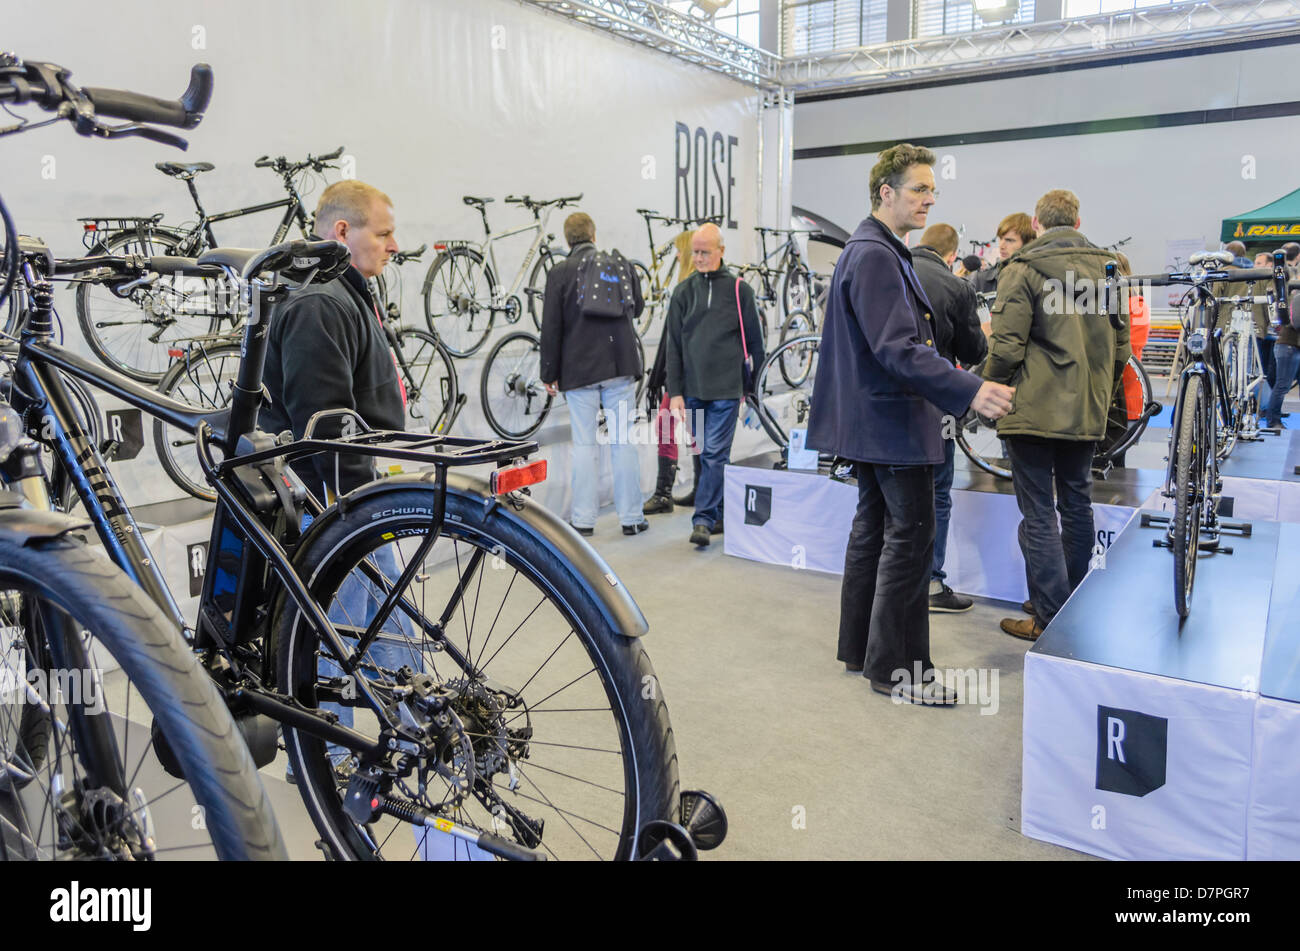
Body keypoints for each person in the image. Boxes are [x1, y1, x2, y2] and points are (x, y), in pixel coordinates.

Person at [806, 143, 1014, 705]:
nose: (929, 198)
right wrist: (972, 389)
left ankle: (863, 651)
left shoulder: (873, 249)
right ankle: (900, 670)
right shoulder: (875, 254)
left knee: (874, 533)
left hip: (877, 422)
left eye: (932, 190)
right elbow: (898, 349)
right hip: (894, 421)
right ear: (886, 193)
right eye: (919, 188)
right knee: (911, 541)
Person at [262, 179, 418, 780]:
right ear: (342, 232)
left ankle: (378, 748)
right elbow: (322, 431)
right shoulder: (318, 305)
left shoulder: (345, 293)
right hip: (332, 505)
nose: (394, 245)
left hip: (356, 500)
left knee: (377, 639)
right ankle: (327, 765)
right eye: (383, 233)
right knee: (345, 642)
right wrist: (352, 518)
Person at [983, 189, 1130, 641]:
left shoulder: (1023, 269)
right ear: (1079, 222)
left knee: (1040, 513)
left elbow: (1007, 345)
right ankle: (1071, 604)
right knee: (1077, 504)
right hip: (1085, 408)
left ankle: (1048, 616)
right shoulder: (1108, 269)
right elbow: (1121, 347)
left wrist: (990, 387)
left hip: (1032, 409)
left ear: (1036, 222)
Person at [539, 212, 648, 536]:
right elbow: (638, 307)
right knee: (622, 442)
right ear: (593, 235)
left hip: (578, 370)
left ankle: (584, 521)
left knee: (585, 445)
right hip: (618, 365)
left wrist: (549, 371)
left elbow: (552, 327)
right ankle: (631, 518)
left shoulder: (558, 273)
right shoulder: (619, 264)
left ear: (567, 240)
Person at [665, 223, 763, 548]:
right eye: (695, 252)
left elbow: (755, 344)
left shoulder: (739, 290)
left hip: (726, 389)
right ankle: (719, 513)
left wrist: (755, 390)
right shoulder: (682, 292)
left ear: (721, 250)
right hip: (693, 390)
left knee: (714, 454)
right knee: (701, 453)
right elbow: (673, 347)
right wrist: (675, 392)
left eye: (706, 251)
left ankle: (703, 520)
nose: (700, 257)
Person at [910, 222, 989, 613]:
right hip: (936, 408)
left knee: (887, 501)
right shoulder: (957, 286)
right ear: (953, 255)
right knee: (938, 493)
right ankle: (930, 584)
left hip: (886, 410)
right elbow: (974, 352)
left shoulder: (891, 269)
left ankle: (892, 583)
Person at [971, 212, 1035, 294]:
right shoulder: (980, 280)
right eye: (1000, 238)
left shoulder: (1038, 281)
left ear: (1028, 244)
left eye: (1009, 240)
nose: (1001, 246)